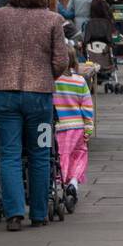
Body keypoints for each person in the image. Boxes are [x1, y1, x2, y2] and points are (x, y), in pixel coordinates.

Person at [0, 0, 71, 231]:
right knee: (40, 153)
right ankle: (39, 213)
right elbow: (62, 60)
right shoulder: (52, 20)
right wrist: (47, 76)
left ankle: (14, 212)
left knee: (9, 154)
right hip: (39, 99)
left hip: (4, 96)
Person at [53, 60, 94, 202]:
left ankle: (58, 182)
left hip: (55, 126)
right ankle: (73, 182)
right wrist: (88, 127)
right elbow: (87, 106)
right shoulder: (80, 81)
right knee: (79, 154)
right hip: (76, 126)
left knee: (59, 155)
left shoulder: (51, 80)